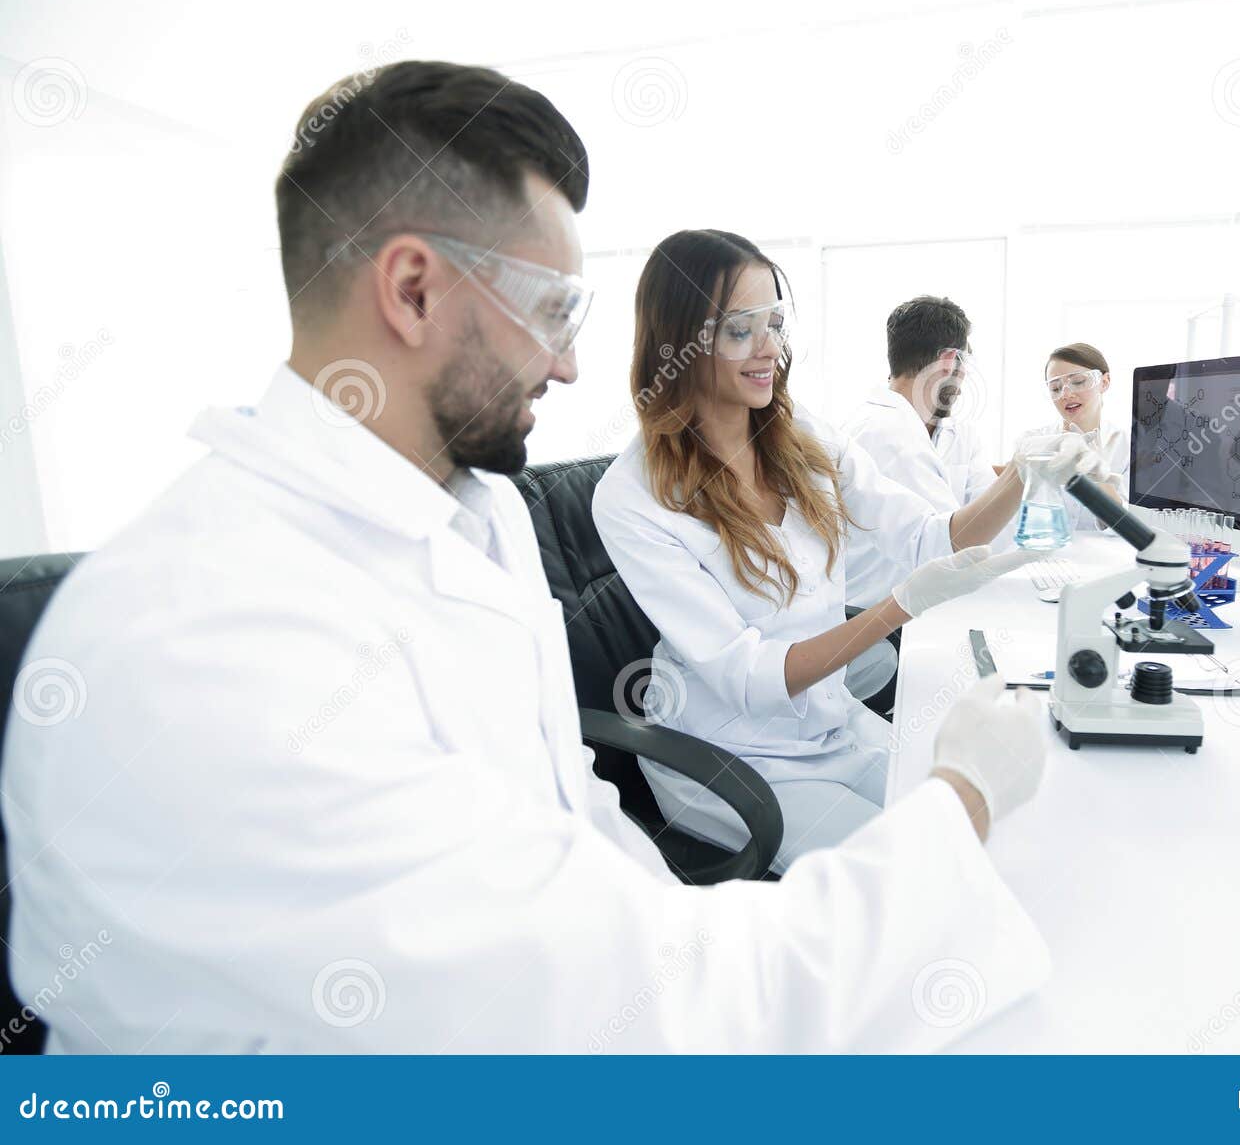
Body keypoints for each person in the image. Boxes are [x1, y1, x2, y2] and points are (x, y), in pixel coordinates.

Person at [1, 62, 1055, 1053]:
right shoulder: (208, 639)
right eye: (552, 311)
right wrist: (959, 790)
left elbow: (580, 822)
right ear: (412, 290)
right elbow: (643, 1018)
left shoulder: (476, 517)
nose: (568, 362)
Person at [591, 231, 1090, 872]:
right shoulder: (633, 497)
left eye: (775, 322)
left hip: (831, 723)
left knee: (1003, 829)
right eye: (742, 329)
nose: (770, 347)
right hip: (731, 755)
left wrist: (1023, 472)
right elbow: (749, 676)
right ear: (678, 341)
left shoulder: (804, 438)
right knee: (927, 867)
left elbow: (933, 538)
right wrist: (900, 607)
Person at [841, 296, 1006, 609]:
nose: (965, 375)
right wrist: (1024, 473)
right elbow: (948, 549)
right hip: (874, 618)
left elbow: (992, 522)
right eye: (964, 362)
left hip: (930, 604)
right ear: (949, 359)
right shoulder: (880, 432)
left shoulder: (962, 434)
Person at [1032, 342, 1130, 531]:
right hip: (1047, 558)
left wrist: (1099, 481)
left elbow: (1128, 527)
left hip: (1107, 558)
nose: (1066, 394)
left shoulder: (1126, 445)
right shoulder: (1036, 442)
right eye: (1055, 388)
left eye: (1078, 382)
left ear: (1104, 382)